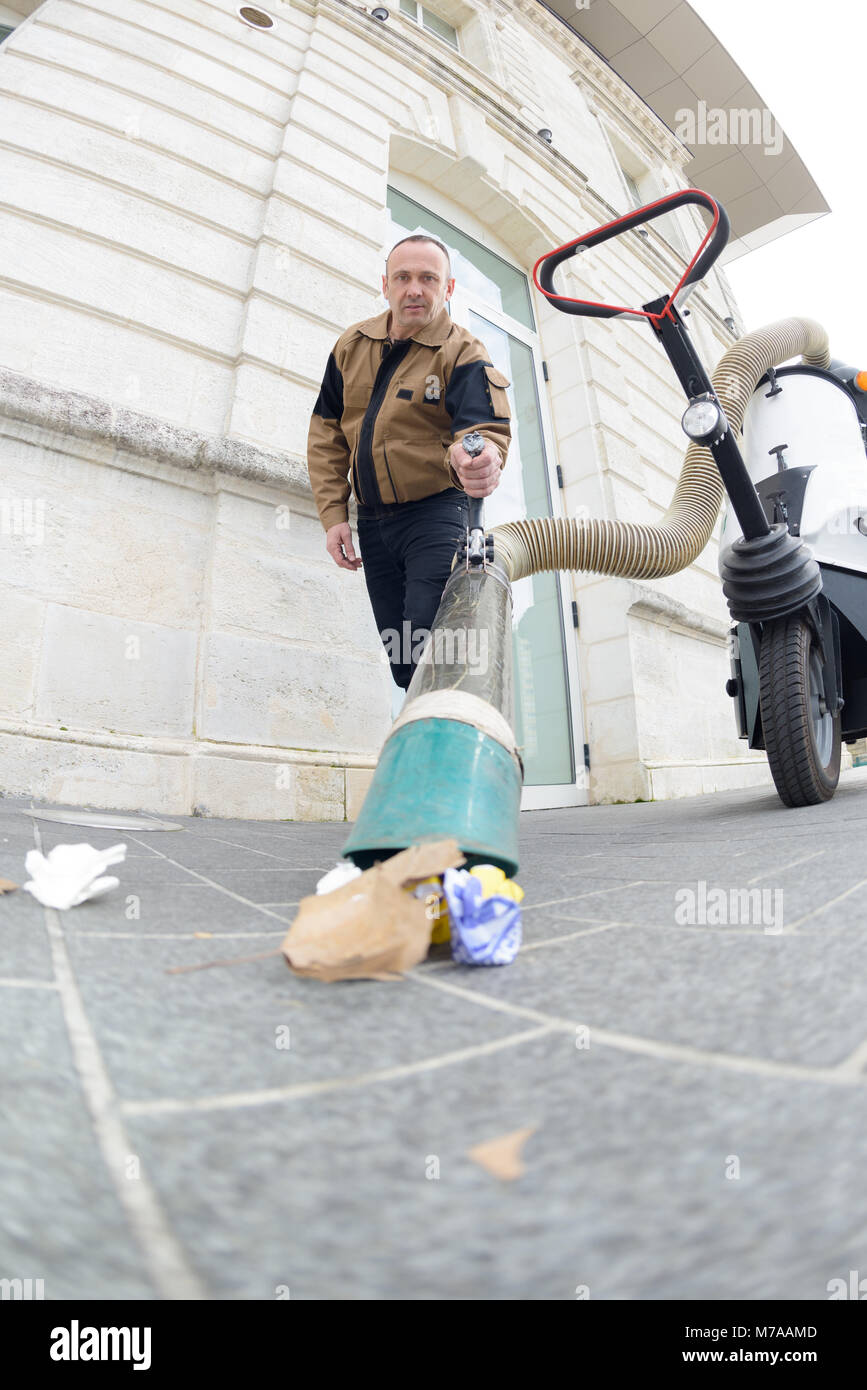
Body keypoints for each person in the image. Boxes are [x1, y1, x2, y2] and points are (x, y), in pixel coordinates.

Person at [306, 233, 512, 691]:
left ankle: (457, 745)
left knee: (434, 644)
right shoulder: (352, 345)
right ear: (386, 285)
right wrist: (334, 515)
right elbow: (326, 432)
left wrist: (475, 456)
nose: (414, 289)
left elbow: (484, 432)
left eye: (427, 278)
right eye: (403, 277)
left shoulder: (463, 351)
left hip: (435, 514)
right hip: (373, 524)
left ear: (448, 289)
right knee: (403, 661)